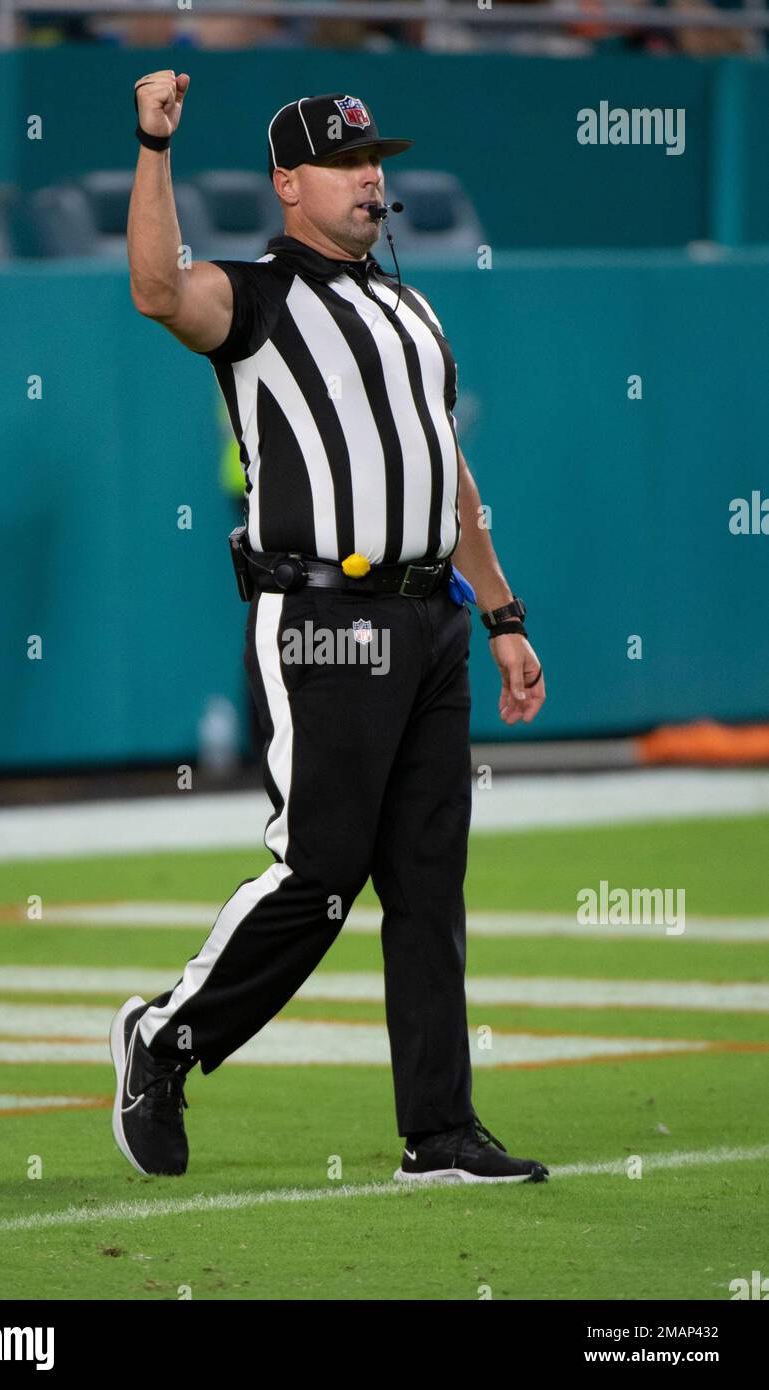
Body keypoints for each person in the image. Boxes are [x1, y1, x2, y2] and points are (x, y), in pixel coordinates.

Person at [113, 79, 549, 1186]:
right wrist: (152, 146)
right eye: (344, 161)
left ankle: (439, 1132)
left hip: (430, 618)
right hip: (320, 616)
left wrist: (497, 611)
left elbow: (443, 472)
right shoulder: (255, 297)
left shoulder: (413, 310)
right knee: (316, 871)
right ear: (286, 181)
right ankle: (166, 1037)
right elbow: (156, 287)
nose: (370, 177)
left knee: (425, 879)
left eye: (375, 159)